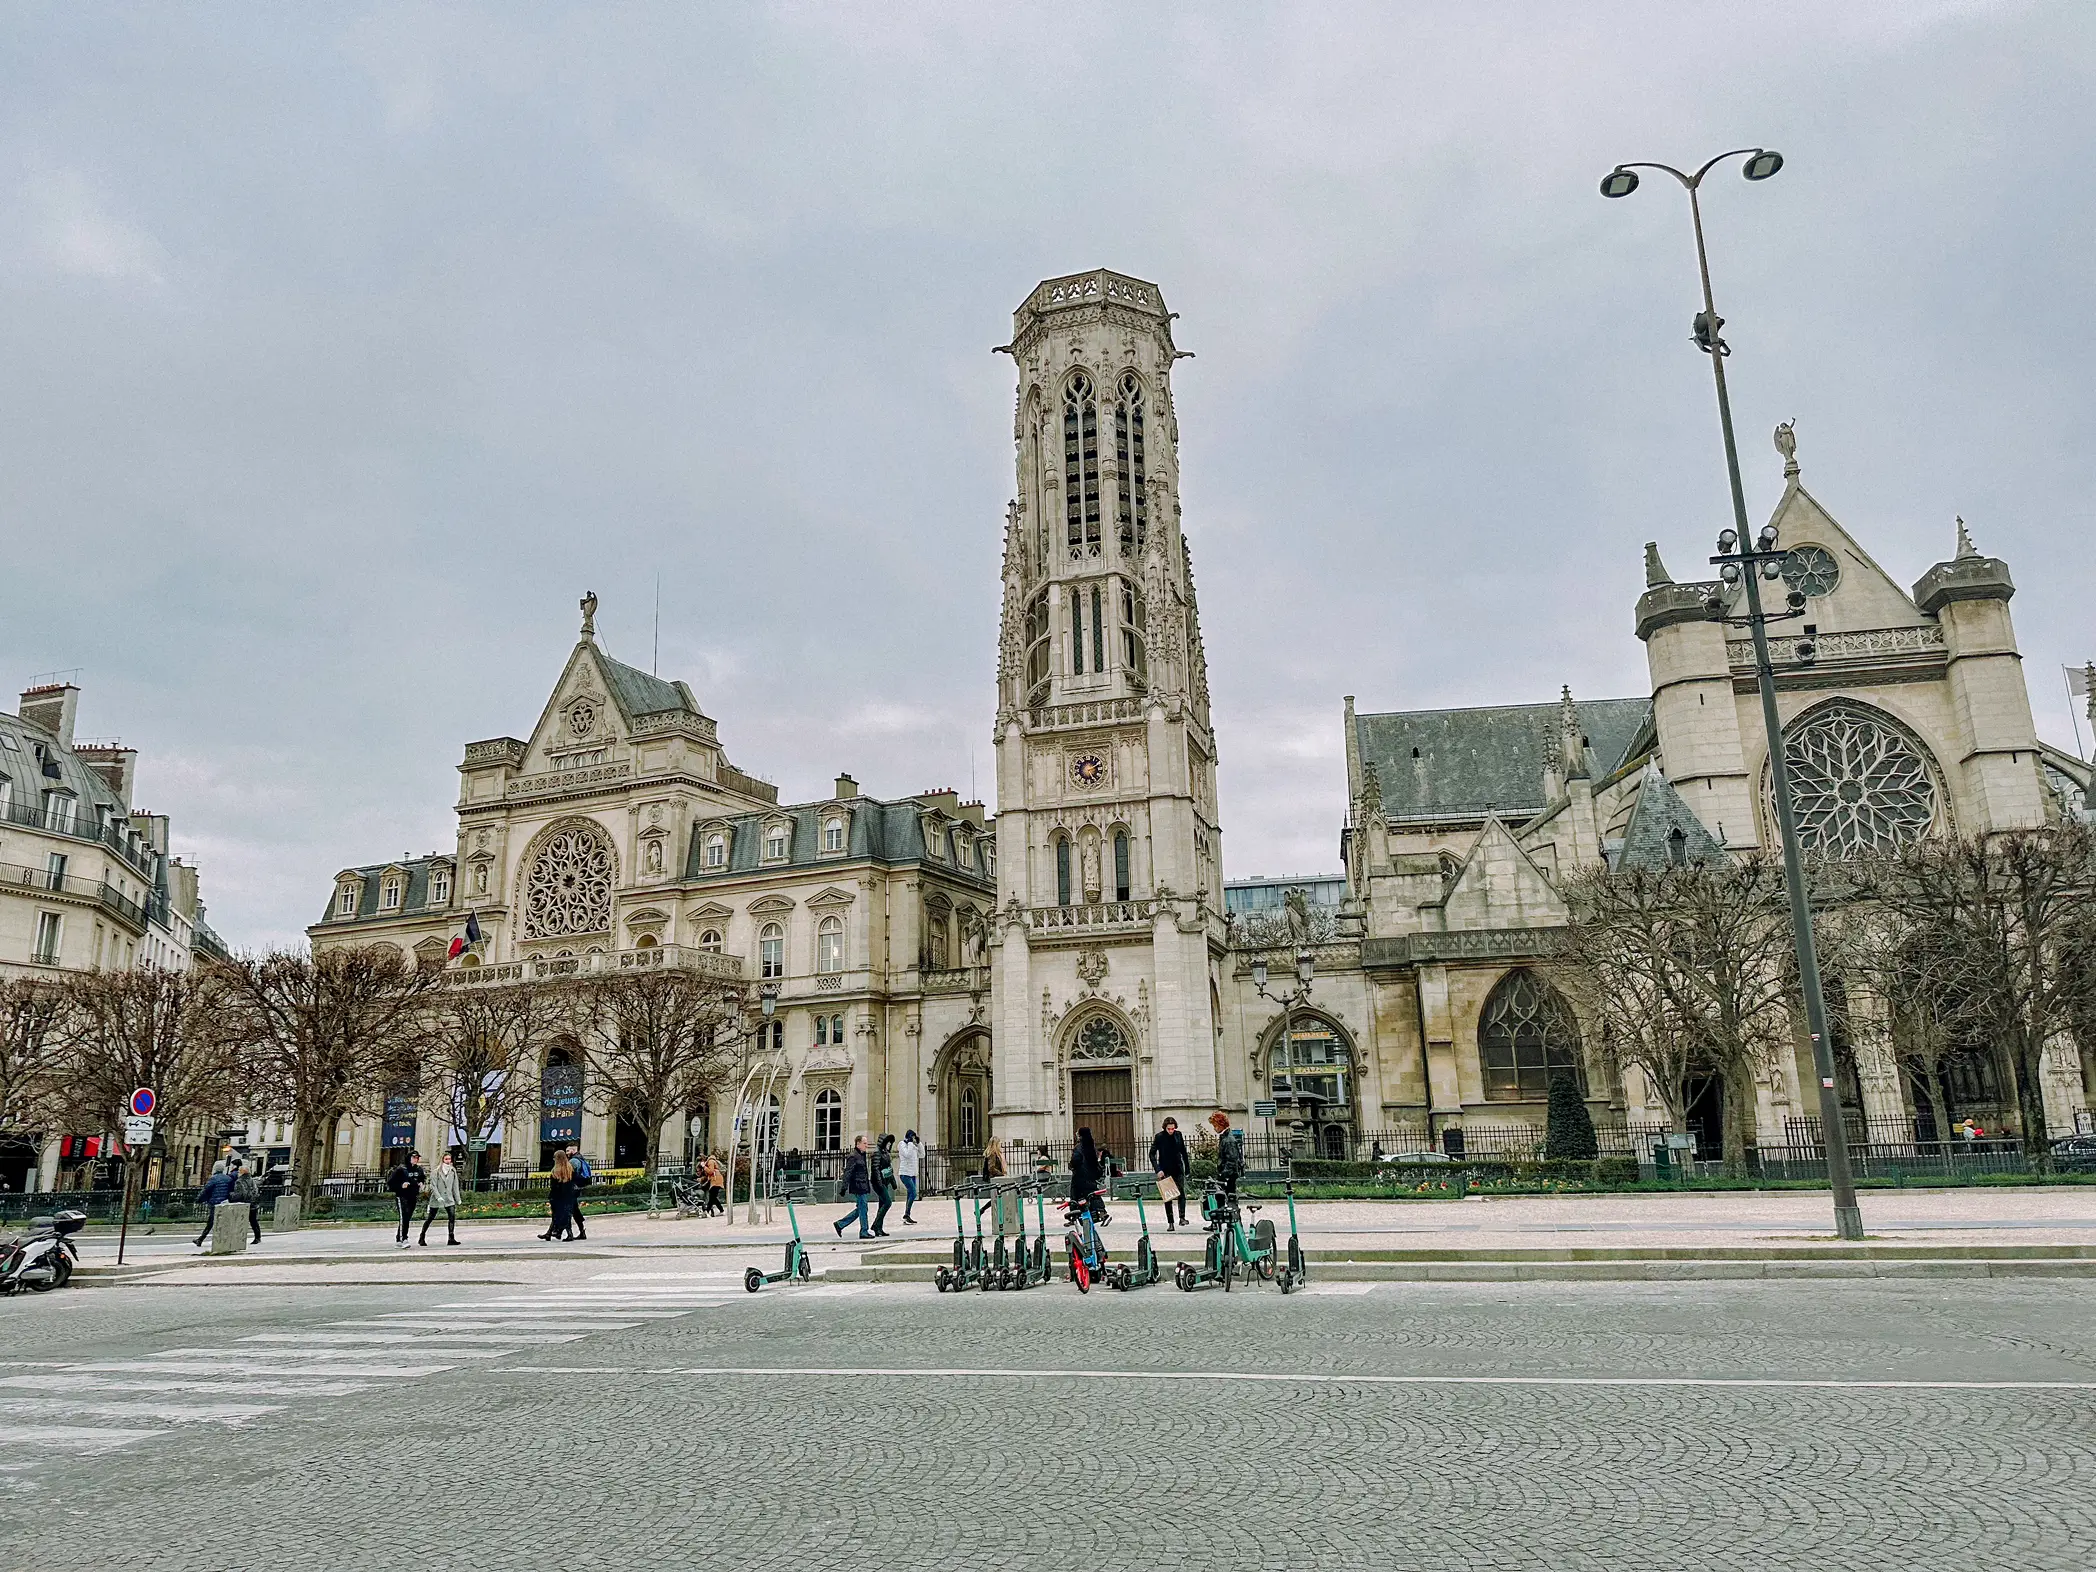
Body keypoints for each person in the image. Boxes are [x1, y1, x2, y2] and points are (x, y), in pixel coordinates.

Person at [1149, 1116, 1191, 1231]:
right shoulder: (1159, 1137)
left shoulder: (1178, 1135)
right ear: (1165, 1128)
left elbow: (1183, 1152)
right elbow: (1151, 1154)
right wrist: (1158, 1170)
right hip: (1165, 1169)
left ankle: (1182, 1217)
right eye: (1169, 1129)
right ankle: (1170, 1222)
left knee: (1181, 1193)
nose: (1171, 1131)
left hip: (1177, 1168)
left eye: (1173, 1129)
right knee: (1168, 1197)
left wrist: (1187, 1168)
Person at [419, 1150, 463, 1246]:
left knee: (452, 1217)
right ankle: (422, 1236)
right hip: (437, 1198)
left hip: (449, 1198)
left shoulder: (452, 1171)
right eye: (446, 1159)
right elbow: (433, 1186)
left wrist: (457, 1198)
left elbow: (455, 1185)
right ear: (442, 1160)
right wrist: (438, 1196)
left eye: (449, 1159)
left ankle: (451, 1238)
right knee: (431, 1217)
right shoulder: (436, 1172)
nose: (448, 1161)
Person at [833, 1135, 873, 1239]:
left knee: (861, 1208)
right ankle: (864, 1231)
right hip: (857, 1186)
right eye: (864, 1143)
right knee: (863, 1208)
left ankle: (840, 1224)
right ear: (858, 1144)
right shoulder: (853, 1156)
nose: (866, 1145)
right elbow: (848, 1172)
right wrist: (844, 1187)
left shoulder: (861, 1155)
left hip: (862, 1185)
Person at [387, 1150, 428, 1249]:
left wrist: (421, 1183)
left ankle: (399, 1238)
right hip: (402, 1196)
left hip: (413, 1195)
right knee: (404, 1216)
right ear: (409, 1158)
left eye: (417, 1158)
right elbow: (390, 1183)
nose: (416, 1160)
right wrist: (401, 1185)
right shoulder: (401, 1169)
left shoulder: (419, 1169)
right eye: (414, 1157)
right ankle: (403, 1238)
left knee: (407, 1218)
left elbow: (422, 1178)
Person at [192, 1164, 235, 1249]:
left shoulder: (213, 1179)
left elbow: (206, 1190)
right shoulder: (228, 1179)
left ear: (215, 1170)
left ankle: (201, 1239)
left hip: (215, 1203)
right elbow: (232, 1190)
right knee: (225, 1222)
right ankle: (226, 1240)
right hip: (225, 1203)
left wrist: (199, 1199)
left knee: (211, 1222)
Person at [1069, 1126, 1105, 1220]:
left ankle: (1074, 1216)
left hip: (1080, 1176)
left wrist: (1071, 1165)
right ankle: (1101, 1211)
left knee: (1076, 1196)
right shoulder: (1090, 1146)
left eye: (1077, 1133)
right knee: (1092, 1193)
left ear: (1080, 1136)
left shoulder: (1079, 1147)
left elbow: (1075, 1160)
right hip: (1090, 1176)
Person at [543, 1151, 578, 1241]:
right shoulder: (570, 1168)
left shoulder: (555, 1171)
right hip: (568, 1195)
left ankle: (560, 1233)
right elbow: (574, 1180)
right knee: (566, 1214)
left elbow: (553, 1186)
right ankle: (551, 1233)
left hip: (557, 1196)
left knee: (556, 1215)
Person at [1210, 1110, 1246, 1193]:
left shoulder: (1228, 1140)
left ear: (1221, 1125)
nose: (1214, 1128)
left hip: (1229, 1176)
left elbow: (1232, 1159)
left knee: (1229, 1199)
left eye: (1215, 1125)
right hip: (1228, 1175)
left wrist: (1223, 1175)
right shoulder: (1226, 1138)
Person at [870, 1134, 897, 1238]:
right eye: (887, 1142)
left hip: (884, 1181)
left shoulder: (886, 1153)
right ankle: (875, 1225)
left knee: (882, 1205)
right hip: (878, 1183)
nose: (889, 1144)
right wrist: (879, 1182)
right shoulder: (877, 1153)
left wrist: (893, 1182)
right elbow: (875, 1169)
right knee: (888, 1202)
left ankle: (879, 1229)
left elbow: (889, 1168)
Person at [231, 1158, 263, 1244]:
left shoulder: (239, 1181)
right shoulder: (252, 1180)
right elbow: (256, 1191)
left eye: (239, 1172)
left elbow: (240, 1194)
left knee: (239, 1222)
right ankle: (258, 1237)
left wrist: (231, 1195)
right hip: (253, 1204)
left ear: (242, 1172)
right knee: (254, 1221)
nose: (238, 1173)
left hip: (244, 1204)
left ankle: (238, 1239)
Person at [565, 1145, 592, 1240]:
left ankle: (569, 1234)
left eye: (568, 1150)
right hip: (577, 1188)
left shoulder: (573, 1161)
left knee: (566, 1210)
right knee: (574, 1210)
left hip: (571, 1189)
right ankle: (582, 1232)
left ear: (573, 1150)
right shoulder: (581, 1159)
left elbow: (567, 1175)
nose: (567, 1153)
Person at [897, 1130, 923, 1224]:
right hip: (905, 1173)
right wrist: (911, 1144)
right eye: (912, 1137)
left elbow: (922, 1155)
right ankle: (906, 1215)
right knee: (913, 1193)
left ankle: (907, 1215)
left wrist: (919, 1143)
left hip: (912, 1173)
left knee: (910, 1194)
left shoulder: (913, 1146)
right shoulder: (902, 1144)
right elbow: (907, 1155)